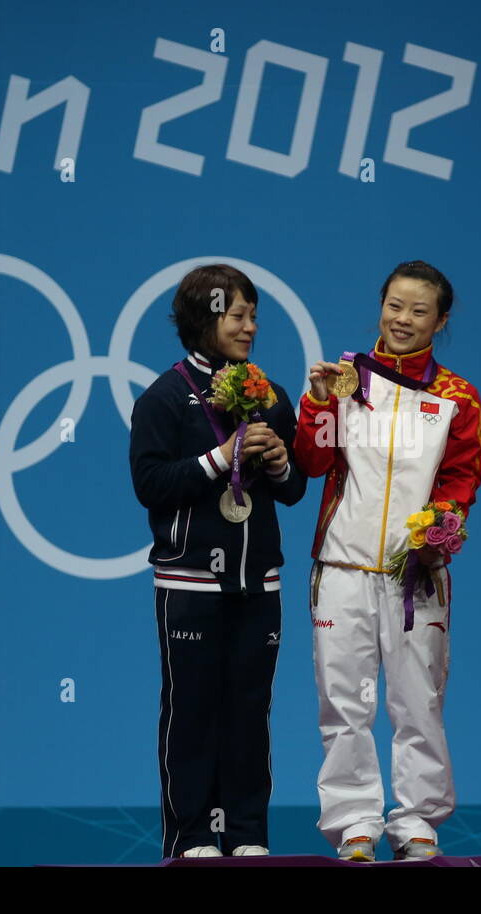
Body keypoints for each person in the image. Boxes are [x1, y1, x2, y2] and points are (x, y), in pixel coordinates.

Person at [294, 260, 481, 862]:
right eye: (395, 306)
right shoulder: (347, 378)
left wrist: (440, 530)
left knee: (418, 700)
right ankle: (354, 822)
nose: (403, 320)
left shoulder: (458, 398)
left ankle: (418, 823)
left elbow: (460, 481)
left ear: (441, 321)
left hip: (415, 575)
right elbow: (312, 462)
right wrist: (320, 403)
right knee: (343, 701)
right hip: (343, 567)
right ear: (380, 306)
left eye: (419, 310)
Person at [128, 263, 307, 859]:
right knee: (192, 711)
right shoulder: (164, 397)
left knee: (251, 712)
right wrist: (219, 456)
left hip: (260, 581)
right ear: (206, 317)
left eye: (254, 315)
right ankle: (192, 835)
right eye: (239, 315)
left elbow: (293, 489)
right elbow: (150, 483)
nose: (251, 327)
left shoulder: (271, 394)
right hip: (190, 581)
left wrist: (279, 460)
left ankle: (248, 834)